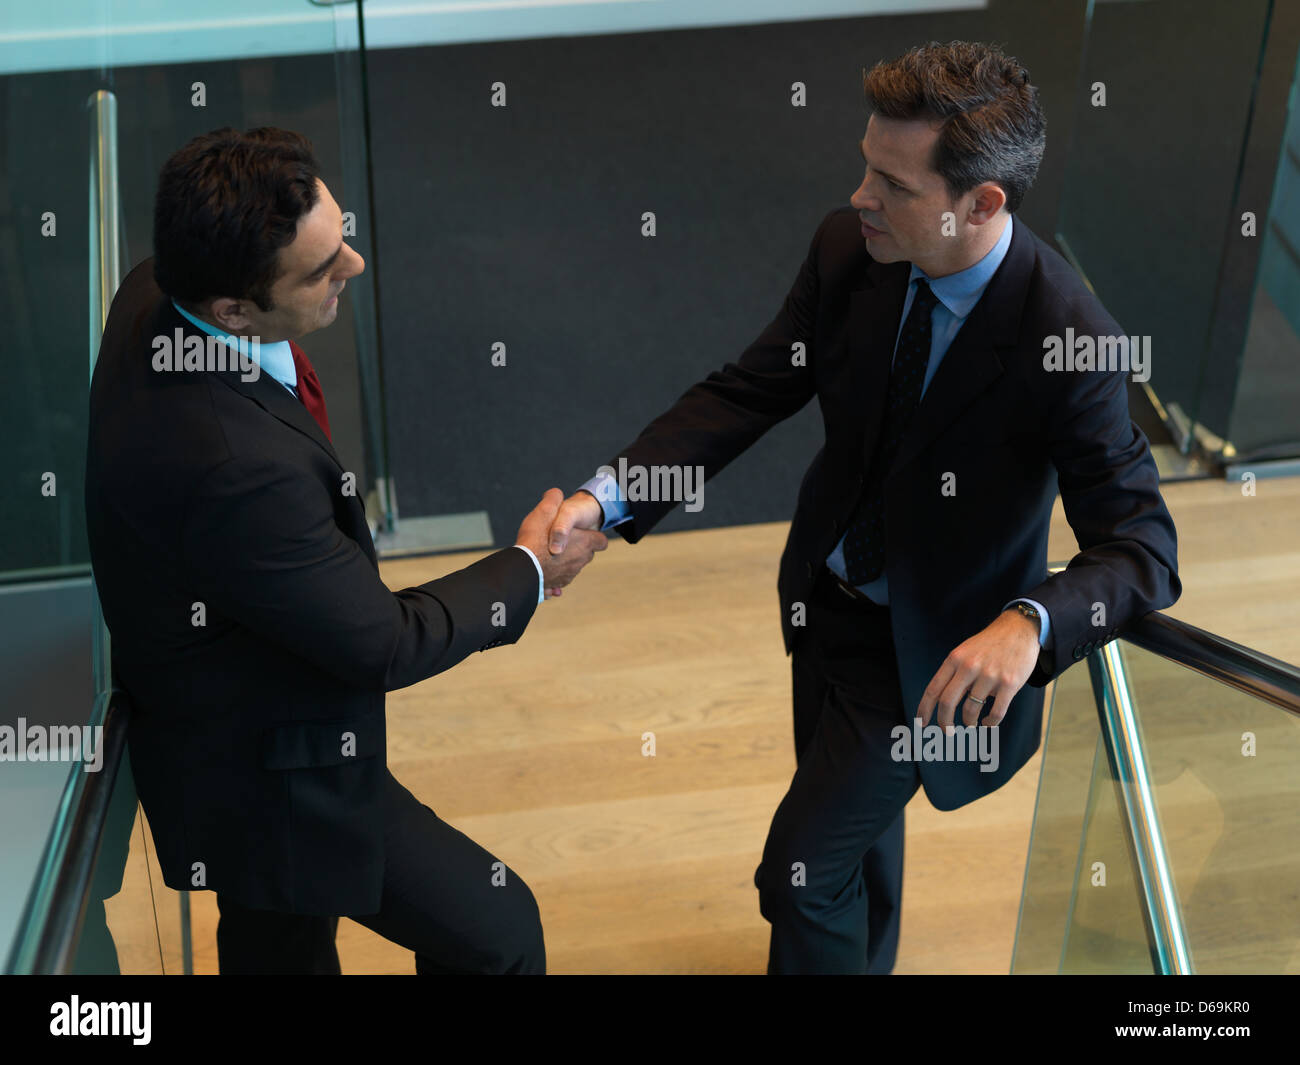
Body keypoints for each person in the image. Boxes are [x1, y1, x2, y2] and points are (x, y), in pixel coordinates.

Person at [546, 40, 1181, 974]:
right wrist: (606, 503)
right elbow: (747, 392)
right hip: (824, 601)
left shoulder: (1073, 341)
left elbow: (1143, 548)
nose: (860, 196)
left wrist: (1030, 622)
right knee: (852, 848)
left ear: (983, 204)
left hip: (934, 657)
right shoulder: (853, 249)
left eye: (893, 181)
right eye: (864, 164)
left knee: (800, 872)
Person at [84, 127, 606, 974]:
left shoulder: (155, 288)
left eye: (341, 236)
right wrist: (532, 570)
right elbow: (381, 641)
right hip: (271, 774)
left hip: (223, 703)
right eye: (322, 269)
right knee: (498, 928)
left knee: (278, 944)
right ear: (234, 311)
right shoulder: (236, 467)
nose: (355, 266)